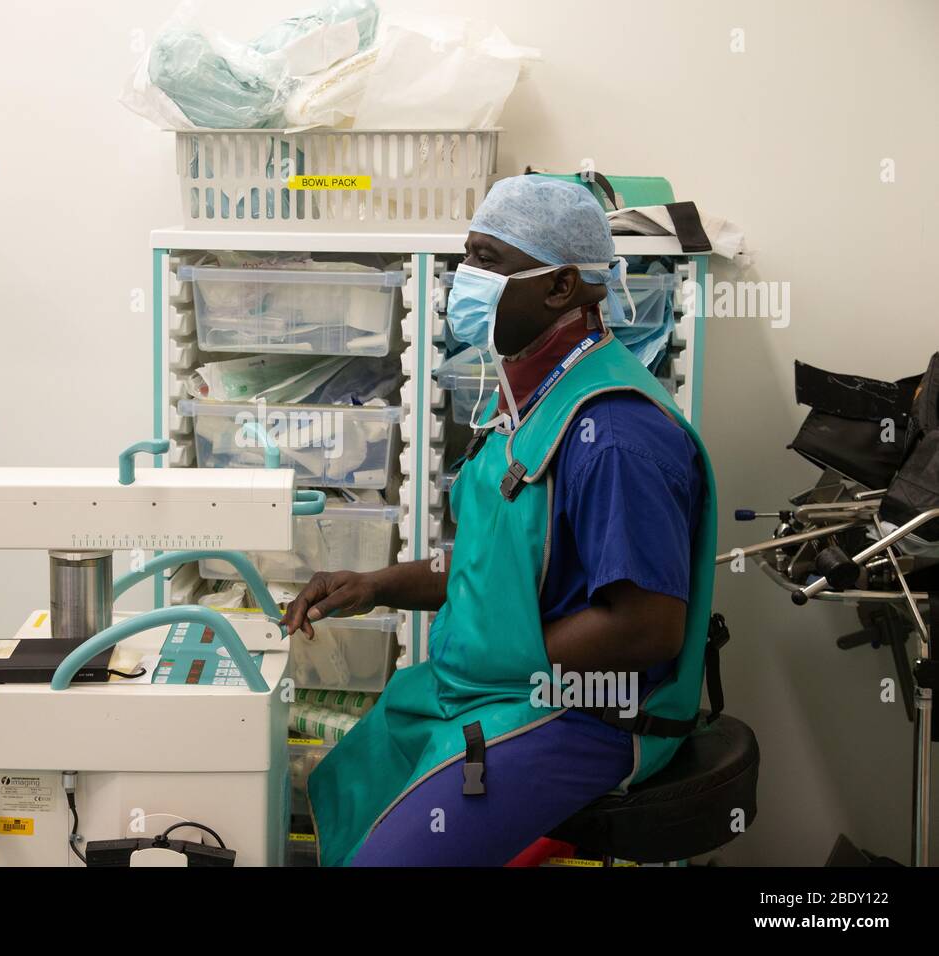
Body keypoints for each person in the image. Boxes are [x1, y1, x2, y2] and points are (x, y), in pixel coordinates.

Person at [281, 175, 718, 867]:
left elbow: (646, 625)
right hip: (491, 686)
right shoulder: (532, 400)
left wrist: (499, 654)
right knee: (345, 782)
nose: (465, 278)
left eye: (488, 260)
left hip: (581, 715)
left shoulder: (617, 436)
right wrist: (376, 583)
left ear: (560, 287)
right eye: (467, 256)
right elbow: (499, 564)